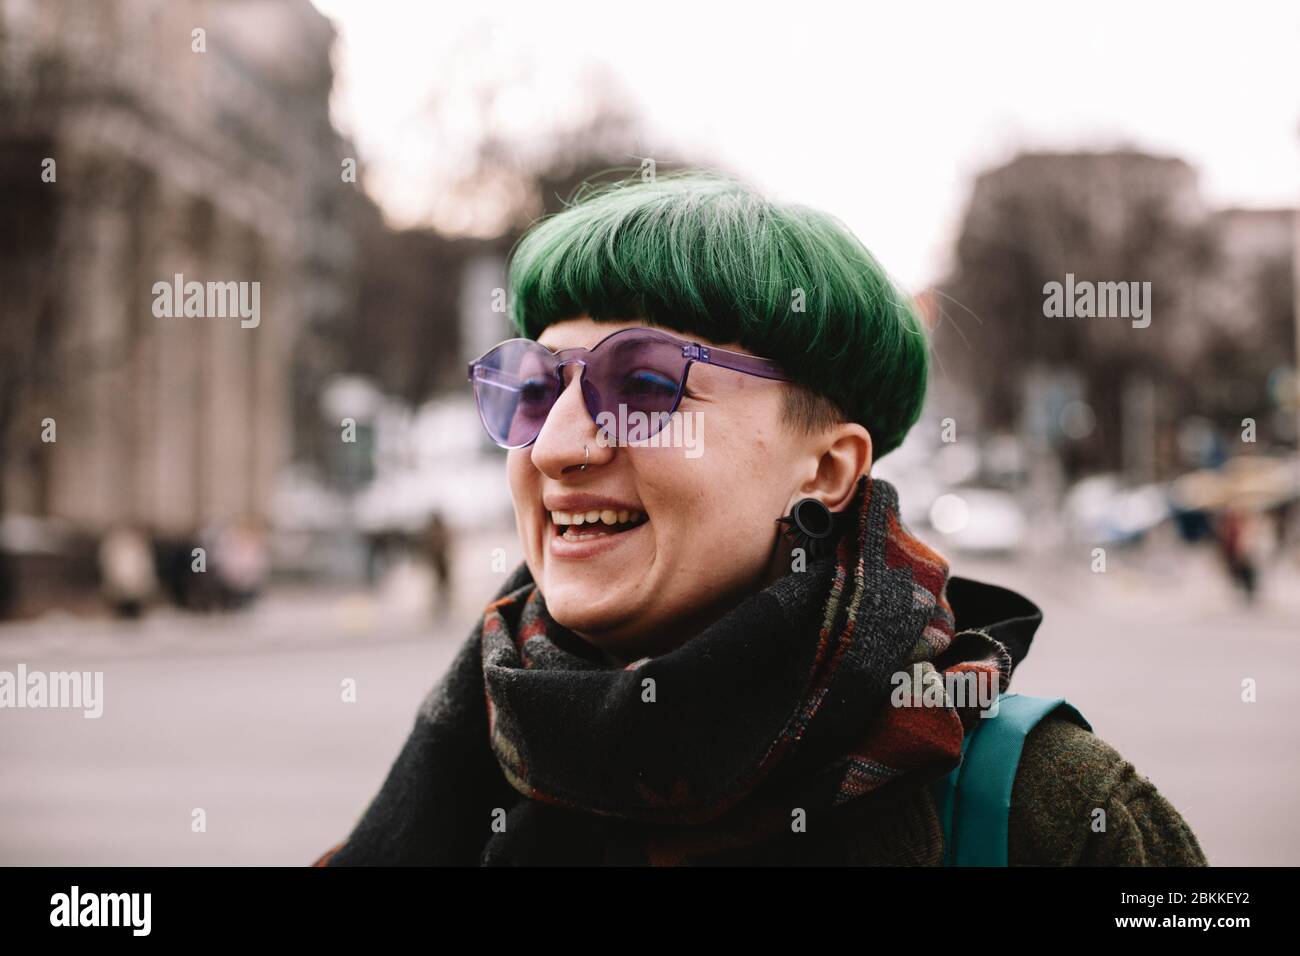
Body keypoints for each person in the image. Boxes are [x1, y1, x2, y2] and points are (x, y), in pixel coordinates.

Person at [315, 170, 1207, 866]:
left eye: (644, 383)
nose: (555, 448)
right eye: (537, 387)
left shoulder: (1050, 814)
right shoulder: (468, 766)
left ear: (825, 468)